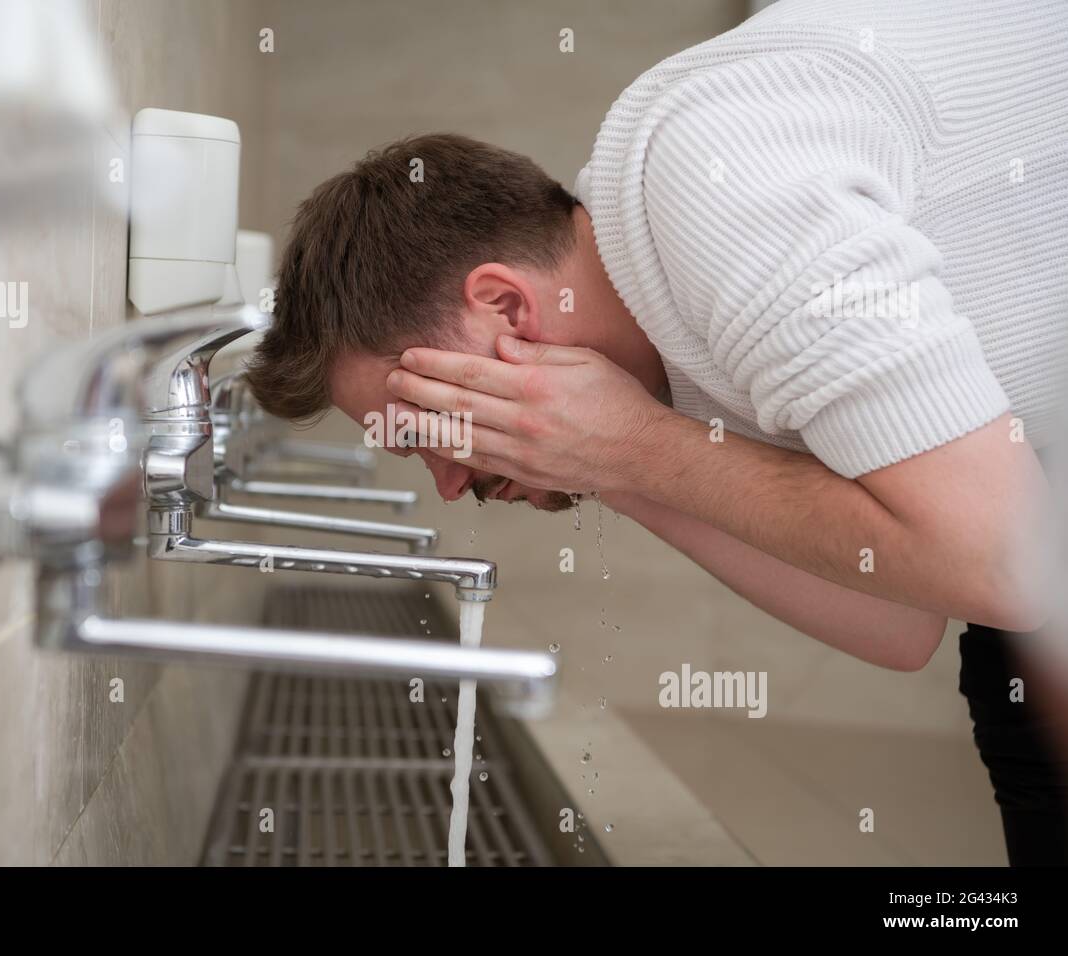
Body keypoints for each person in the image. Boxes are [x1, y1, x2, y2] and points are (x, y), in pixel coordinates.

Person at [245, 0, 1068, 864]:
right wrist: (619, 461)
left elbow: (1005, 563)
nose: (448, 485)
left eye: (422, 426)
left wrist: (633, 446)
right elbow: (901, 620)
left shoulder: (715, 186)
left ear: (505, 307)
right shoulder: (670, 336)